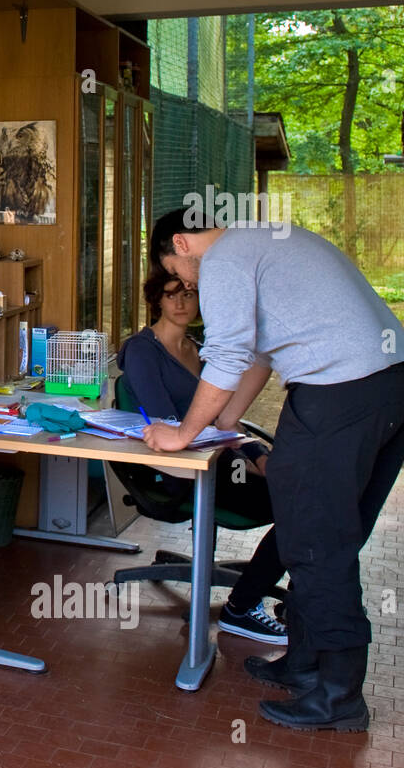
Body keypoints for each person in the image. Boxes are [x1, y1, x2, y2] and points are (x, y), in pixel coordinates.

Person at [142, 206, 404, 732]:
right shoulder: (266, 242)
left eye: (178, 275)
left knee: (315, 543)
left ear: (181, 243)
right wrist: (224, 418)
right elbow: (259, 356)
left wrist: (184, 434)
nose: (185, 285)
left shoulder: (222, 258)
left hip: (338, 394)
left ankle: (339, 697)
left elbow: (224, 355)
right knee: (327, 533)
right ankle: (305, 661)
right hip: (390, 385)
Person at [117, 267, 287, 645]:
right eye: (171, 293)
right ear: (156, 299)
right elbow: (170, 426)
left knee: (302, 492)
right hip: (180, 470)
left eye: (189, 294)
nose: (180, 302)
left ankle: (294, 600)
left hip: (220, 460)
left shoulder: (200, 346)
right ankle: (243, 606)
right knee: (300, 506)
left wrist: (256, 455)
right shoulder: (143, 351)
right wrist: (241, 454)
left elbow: (224, 419)